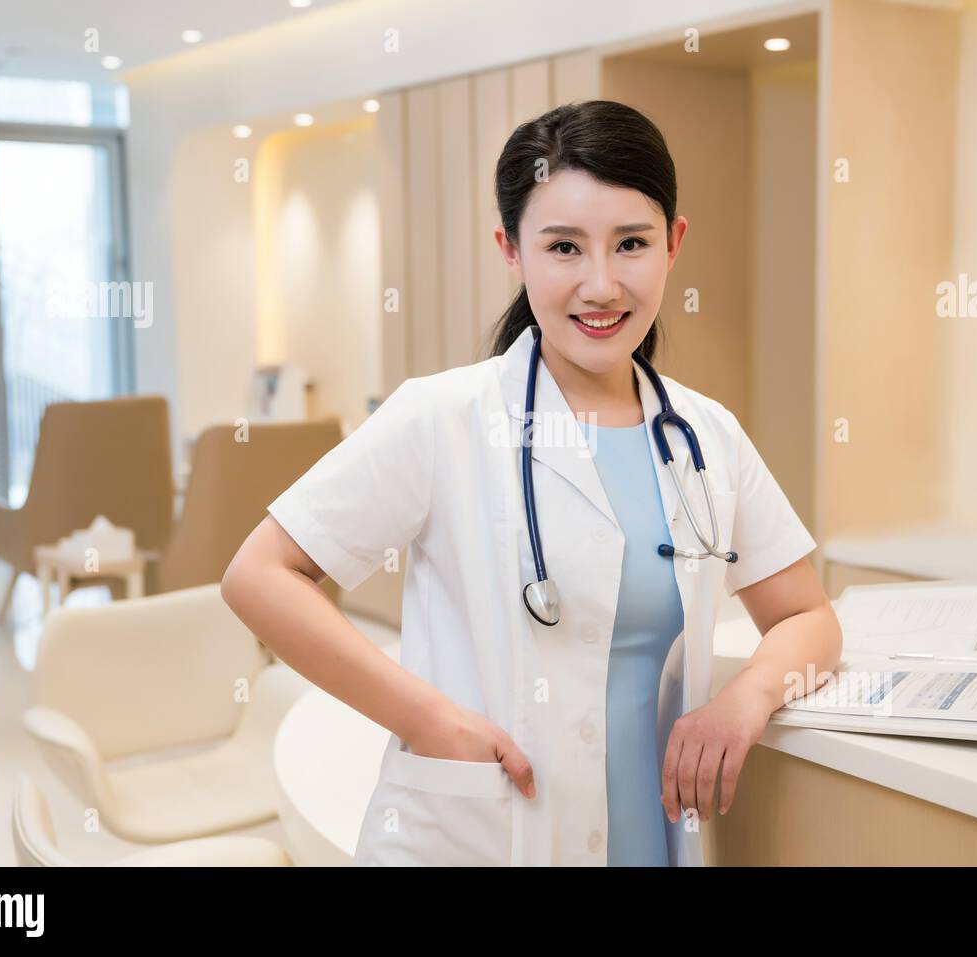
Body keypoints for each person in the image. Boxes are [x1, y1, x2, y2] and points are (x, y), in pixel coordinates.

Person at [221, 99, 842, 866]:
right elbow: (258, 574)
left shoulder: (704, 435)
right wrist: (427, 720)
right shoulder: (442, 417)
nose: (603, 284)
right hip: (488, 834)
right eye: (564, 248)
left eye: (632, 243)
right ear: (511, 250)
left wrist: (745, 700)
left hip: (650, 841)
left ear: (674, 245)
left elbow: (808, 615)